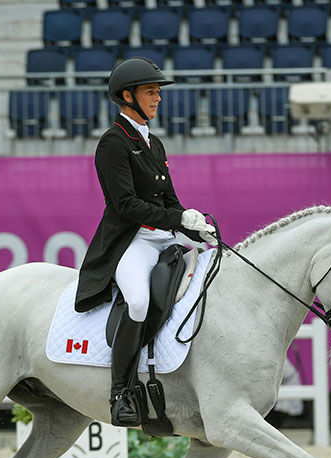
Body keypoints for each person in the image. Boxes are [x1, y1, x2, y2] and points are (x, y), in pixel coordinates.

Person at [75, 57, 216, 427]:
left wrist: (192, 225)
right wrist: (176, 219)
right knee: (138, 300)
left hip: (164, 239)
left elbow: (168, 200)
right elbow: (125, 205)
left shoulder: (154, 143)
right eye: (150, 92)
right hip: (132, 241)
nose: (157, 98)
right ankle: (120, 392)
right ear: (127, 96)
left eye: (157, 92)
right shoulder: (113, 143)